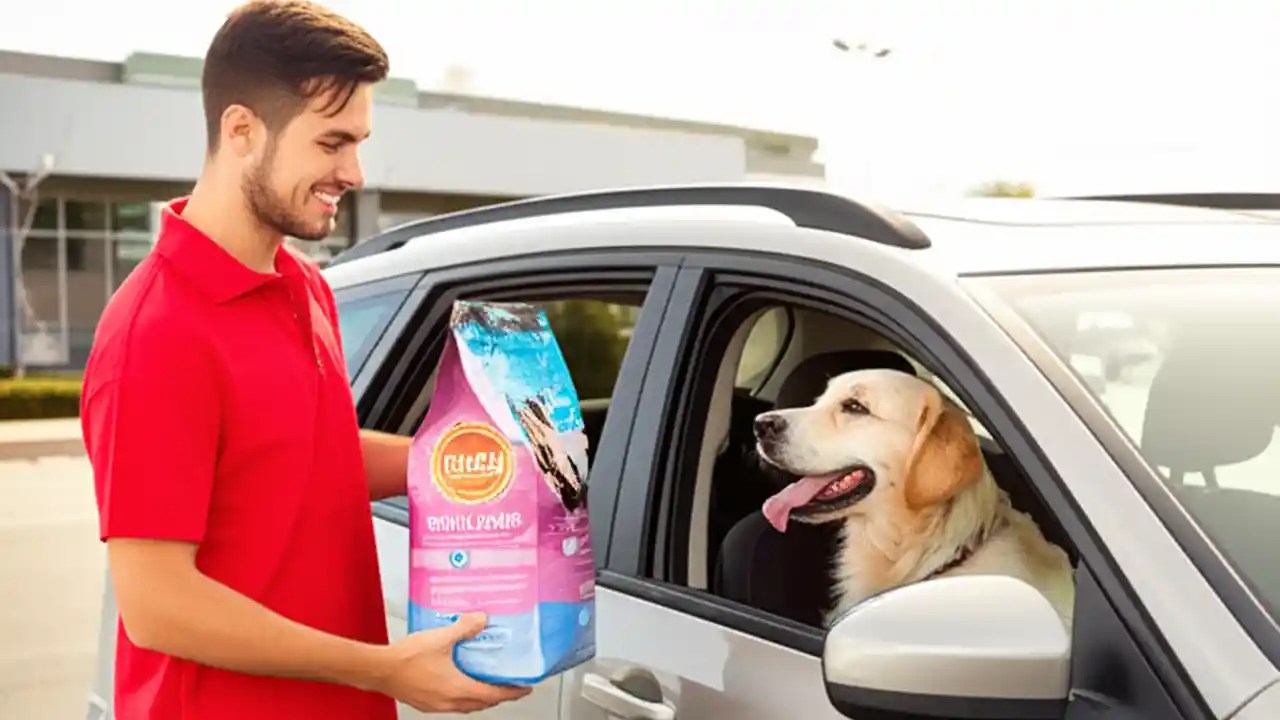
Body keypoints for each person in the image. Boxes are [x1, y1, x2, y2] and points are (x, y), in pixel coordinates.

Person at [79, 1, 532, 717]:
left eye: (359, 142)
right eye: (332, 143)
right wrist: (382, 670)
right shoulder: (156, 329)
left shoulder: (305, 286)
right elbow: (157, 604)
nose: (353, 170)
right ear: (241, 130)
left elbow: (307, 456)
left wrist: (475, 461)